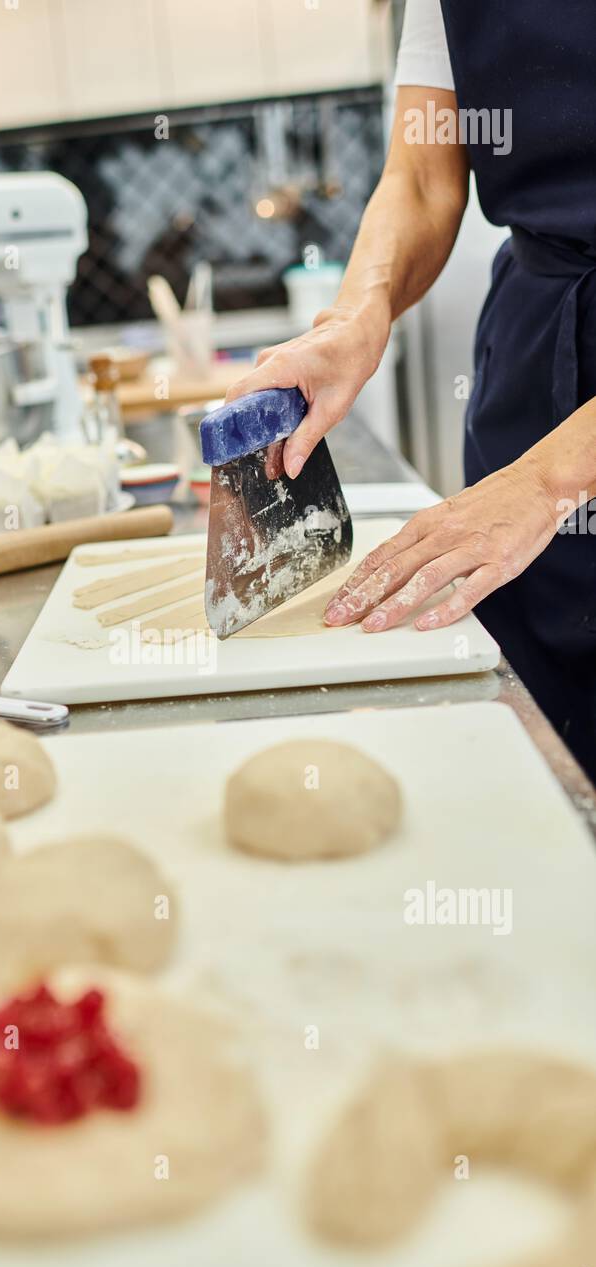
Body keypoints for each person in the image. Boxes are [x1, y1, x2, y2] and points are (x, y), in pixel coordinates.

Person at [228, 0, 596, 782]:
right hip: (536, 363)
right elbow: (425, 178)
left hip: (546, 456)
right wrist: (356, 311)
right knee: (538, 726)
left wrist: (547, 481)